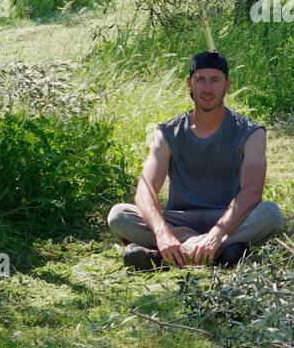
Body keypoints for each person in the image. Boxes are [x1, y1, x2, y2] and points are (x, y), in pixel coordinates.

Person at [107, 51, 282, 270]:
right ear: (189, 83)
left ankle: (163, 257)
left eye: (215, 80)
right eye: (200, 80)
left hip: (228, 219)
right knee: (119, 215)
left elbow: (252, 192)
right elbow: (145, 190)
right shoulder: (167, 132)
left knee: (270, 214)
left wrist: (217, 233)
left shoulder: (250, 132)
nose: (207, 89)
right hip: (178, 222)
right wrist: (163, 233)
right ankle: (221, 254)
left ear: (227, 85)